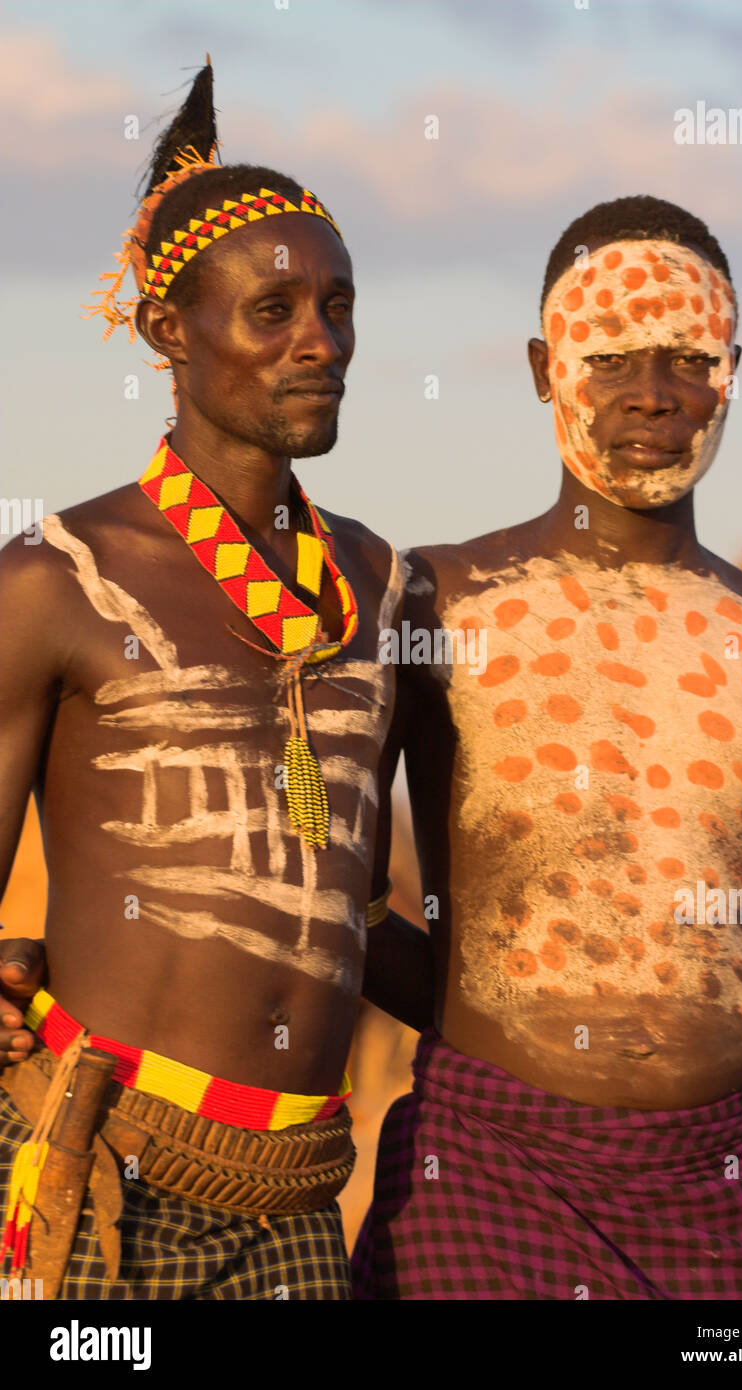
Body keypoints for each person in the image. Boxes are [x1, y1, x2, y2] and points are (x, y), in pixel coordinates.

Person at [353, 197, 742, 1300]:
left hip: (731, 1204)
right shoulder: (439, 600)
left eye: (687, 357)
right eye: (610, 357)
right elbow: (320, 878)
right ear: (544, 369)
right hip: (489, 1172)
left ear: (730, 372)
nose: (651, 393)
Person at [0, 60, 408, 1300]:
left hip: (298, 1195)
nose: (321, 342)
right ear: (167, 330)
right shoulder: (57, 576)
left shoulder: (380, 587)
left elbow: (358, 907)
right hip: (107, 1162)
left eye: (337, 306)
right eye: (273, 311)